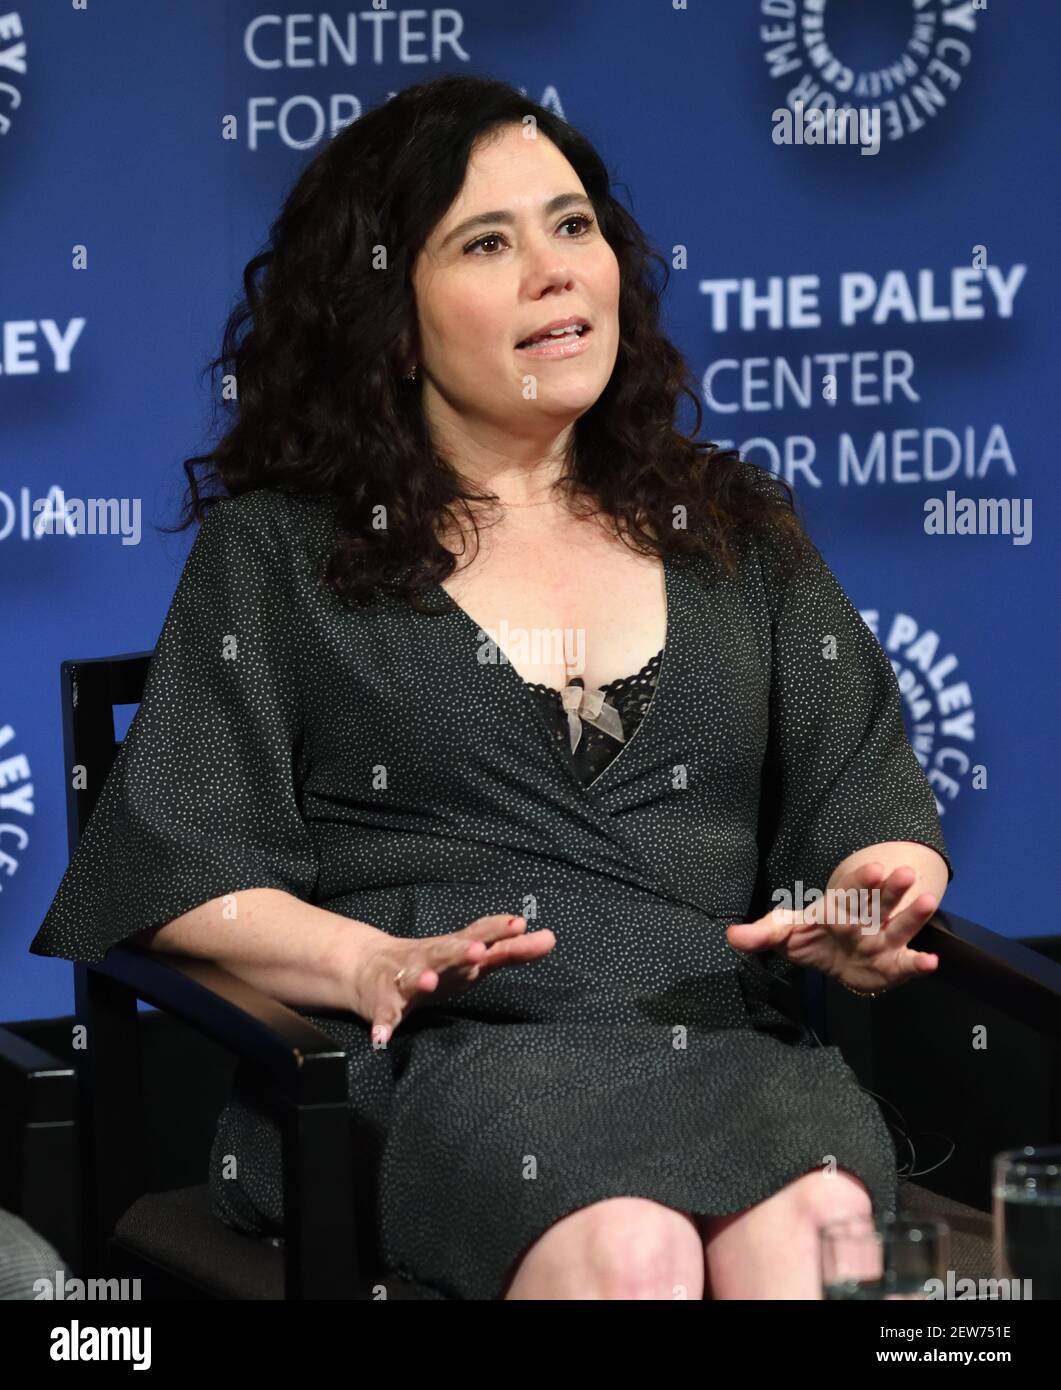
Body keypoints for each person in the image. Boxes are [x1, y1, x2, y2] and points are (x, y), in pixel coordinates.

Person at [29, 73, 953, 1301]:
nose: (554, 270)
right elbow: (173, 869)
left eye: (572, 227)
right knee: (632, 1253)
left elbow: (863, 800)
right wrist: (365, 961)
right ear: (391, 315)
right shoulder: (283, 554)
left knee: (814, 1225)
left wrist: (863, 898)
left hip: (715, 1044)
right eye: (485, 242)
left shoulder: (729, 526)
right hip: (446, 1062)